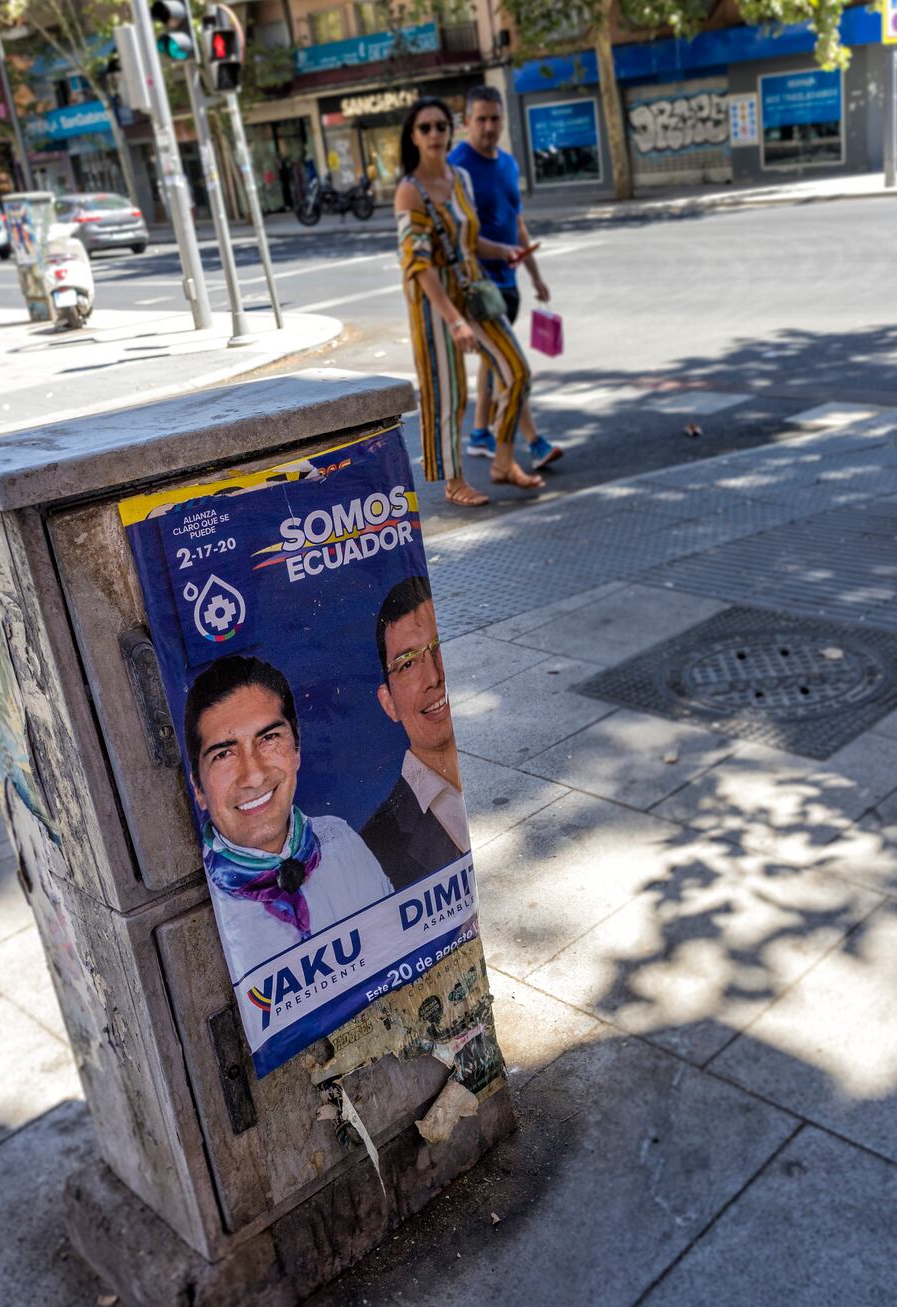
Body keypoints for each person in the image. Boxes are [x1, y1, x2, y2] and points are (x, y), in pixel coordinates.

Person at [184, 654, 392, 979]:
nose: (252, 775)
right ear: (198, 787)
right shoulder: (201, 907)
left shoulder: (340, 841)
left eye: (269, 738)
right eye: (224, 753)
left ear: (296, 750)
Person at [395, 97, 544, 508]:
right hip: (434, 299)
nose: (434, 134)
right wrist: (454, 321)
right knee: (447, 392)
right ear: (413, 136)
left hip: (473, 286)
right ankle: (454, 480)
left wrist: (505, 251)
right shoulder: (410, 192)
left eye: (441, 126)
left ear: (450, 131)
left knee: (517, 371)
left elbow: (469, 240)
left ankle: (503, 461)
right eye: (425, 128)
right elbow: (419, 264)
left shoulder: (460, 178)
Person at [449, 86, 564, 473]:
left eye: (494, 119)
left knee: (494, 362)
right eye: (480, 119)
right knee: (510, 367)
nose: (488, 127)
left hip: (508, 282)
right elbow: (456, 237)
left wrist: (536, 276)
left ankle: (480, 432)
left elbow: (516, 223)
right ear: (466, 122)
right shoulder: (456, 166)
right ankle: (534, 442)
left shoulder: (509, 165)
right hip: (477, 288)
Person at [361, 576, 469, 890]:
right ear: (388, 702)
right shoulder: (375, 845)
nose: (434, 676)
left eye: (438, 647)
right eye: (407, 664)